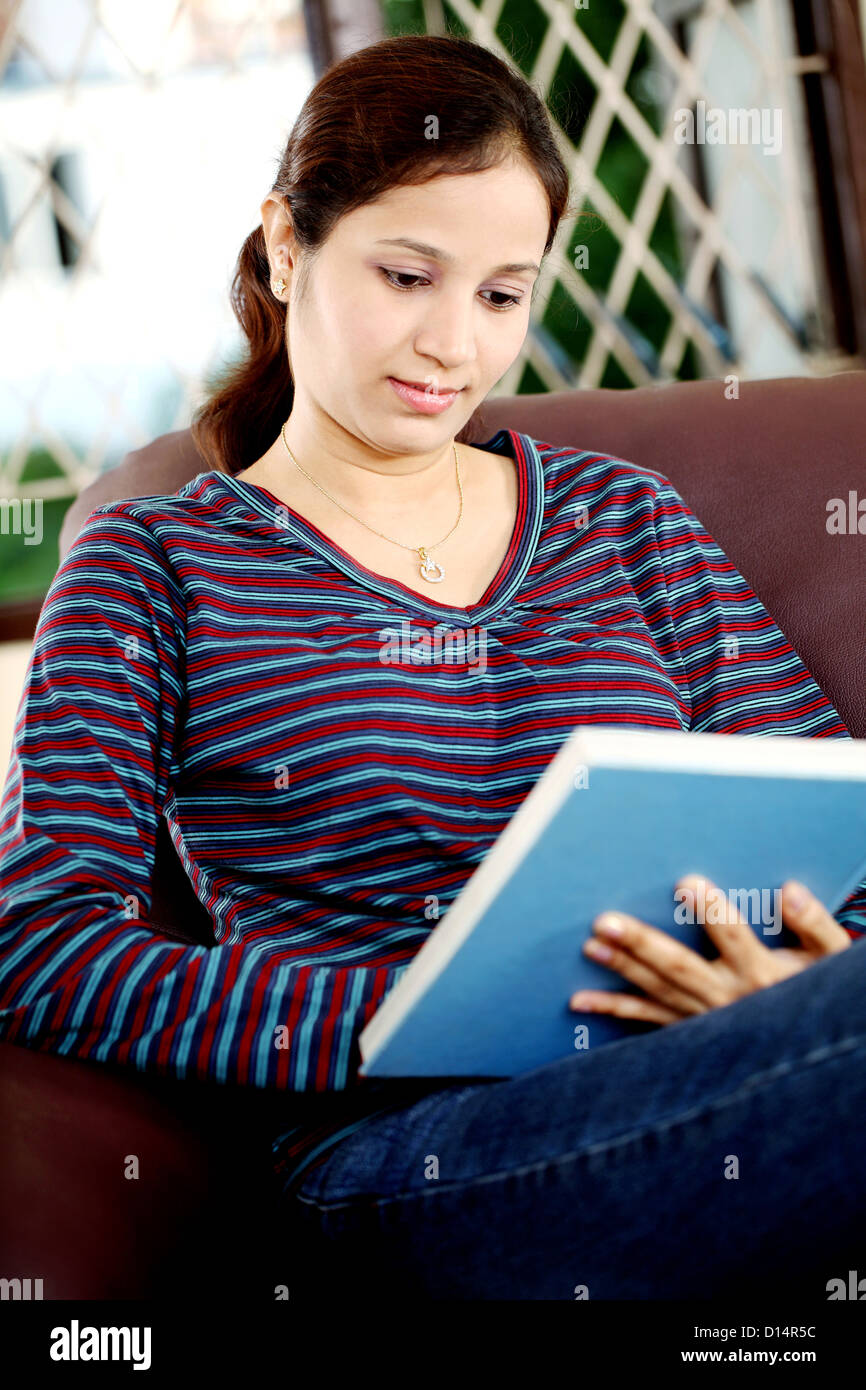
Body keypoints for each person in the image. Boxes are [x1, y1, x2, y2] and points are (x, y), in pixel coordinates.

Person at [1, 33, 865, 1302]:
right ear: (287, 244)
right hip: (416, 1158)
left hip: (739, 1067)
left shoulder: (621, 517)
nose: (453, 345)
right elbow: (46, 945)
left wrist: (793, 972)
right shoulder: (159, 559)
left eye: (502, 294)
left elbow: (831, 820)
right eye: (408, 275)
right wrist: (404, 1016)